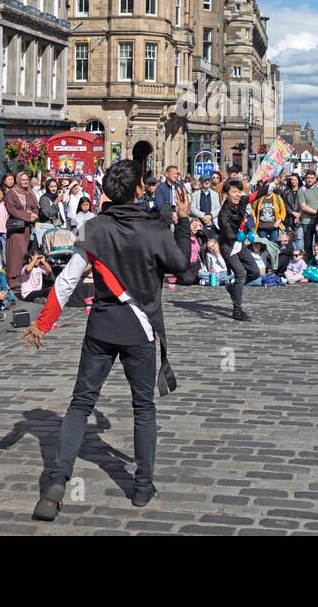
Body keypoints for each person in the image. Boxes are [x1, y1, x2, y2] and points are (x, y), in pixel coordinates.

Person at [21, 160, 197, 520]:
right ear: (138, 191)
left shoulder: (94, 228)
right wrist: (181, 222)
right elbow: (185, 269)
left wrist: (44, 323)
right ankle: (142, 486)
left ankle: (56, 484)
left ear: (107, 193)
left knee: (79, 405)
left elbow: (67, 281)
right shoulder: (156, 230)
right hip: (140, 331)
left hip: (101, 328)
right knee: (143, 408)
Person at [216, 179, 255, 322]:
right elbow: (227, 232)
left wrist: (272, 185)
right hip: (228, 245)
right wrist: (240, 235)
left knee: (255, 272)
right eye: (234, 191)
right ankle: (237, 311)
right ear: (227, 194)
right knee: (240, 273)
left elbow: (256, 195)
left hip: (239, 244)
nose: (238, 194)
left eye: (239, 191)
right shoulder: (223, 214)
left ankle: (233, 288)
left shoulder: (243, 201)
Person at [3, 171, 37, 281]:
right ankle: (15, 280)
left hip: (28, 228)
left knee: (26, 254)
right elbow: (11, 209)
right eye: (23, 180)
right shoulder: (12, 193)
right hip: (17, 228)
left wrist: (34, 214)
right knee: (17, 253)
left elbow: (35, 206)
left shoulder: (30, 192)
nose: (25, 181)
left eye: (27, 179)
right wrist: (27, 216)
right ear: (18, 180)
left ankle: (25, 279)